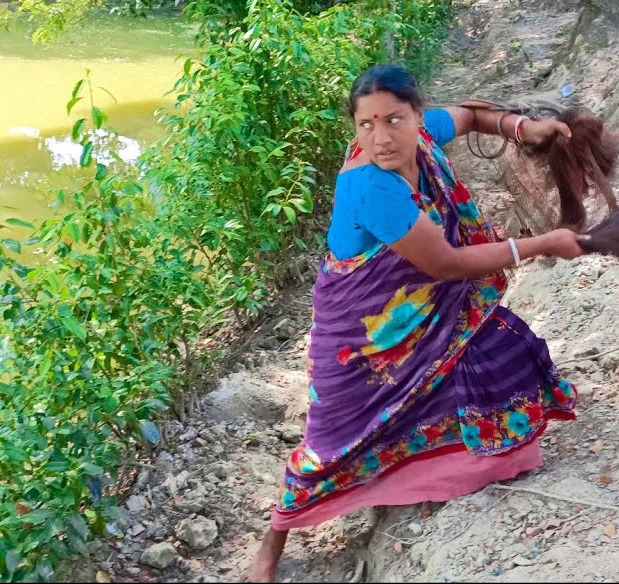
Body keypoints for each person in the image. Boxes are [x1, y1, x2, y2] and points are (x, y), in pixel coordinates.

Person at [248, 64, 584, 582]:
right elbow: (446, 264)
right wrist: (541, 244)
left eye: (393, 120)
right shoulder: (370, 188)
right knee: (333, 440)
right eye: (365, 125)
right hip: (358, 339)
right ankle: (273, 541)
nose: (381, 137)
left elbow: (472, 115)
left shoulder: (424, 139)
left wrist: (523, 128)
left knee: (506, 356)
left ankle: (441, 471)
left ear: (416, 116)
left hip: (426, 313)